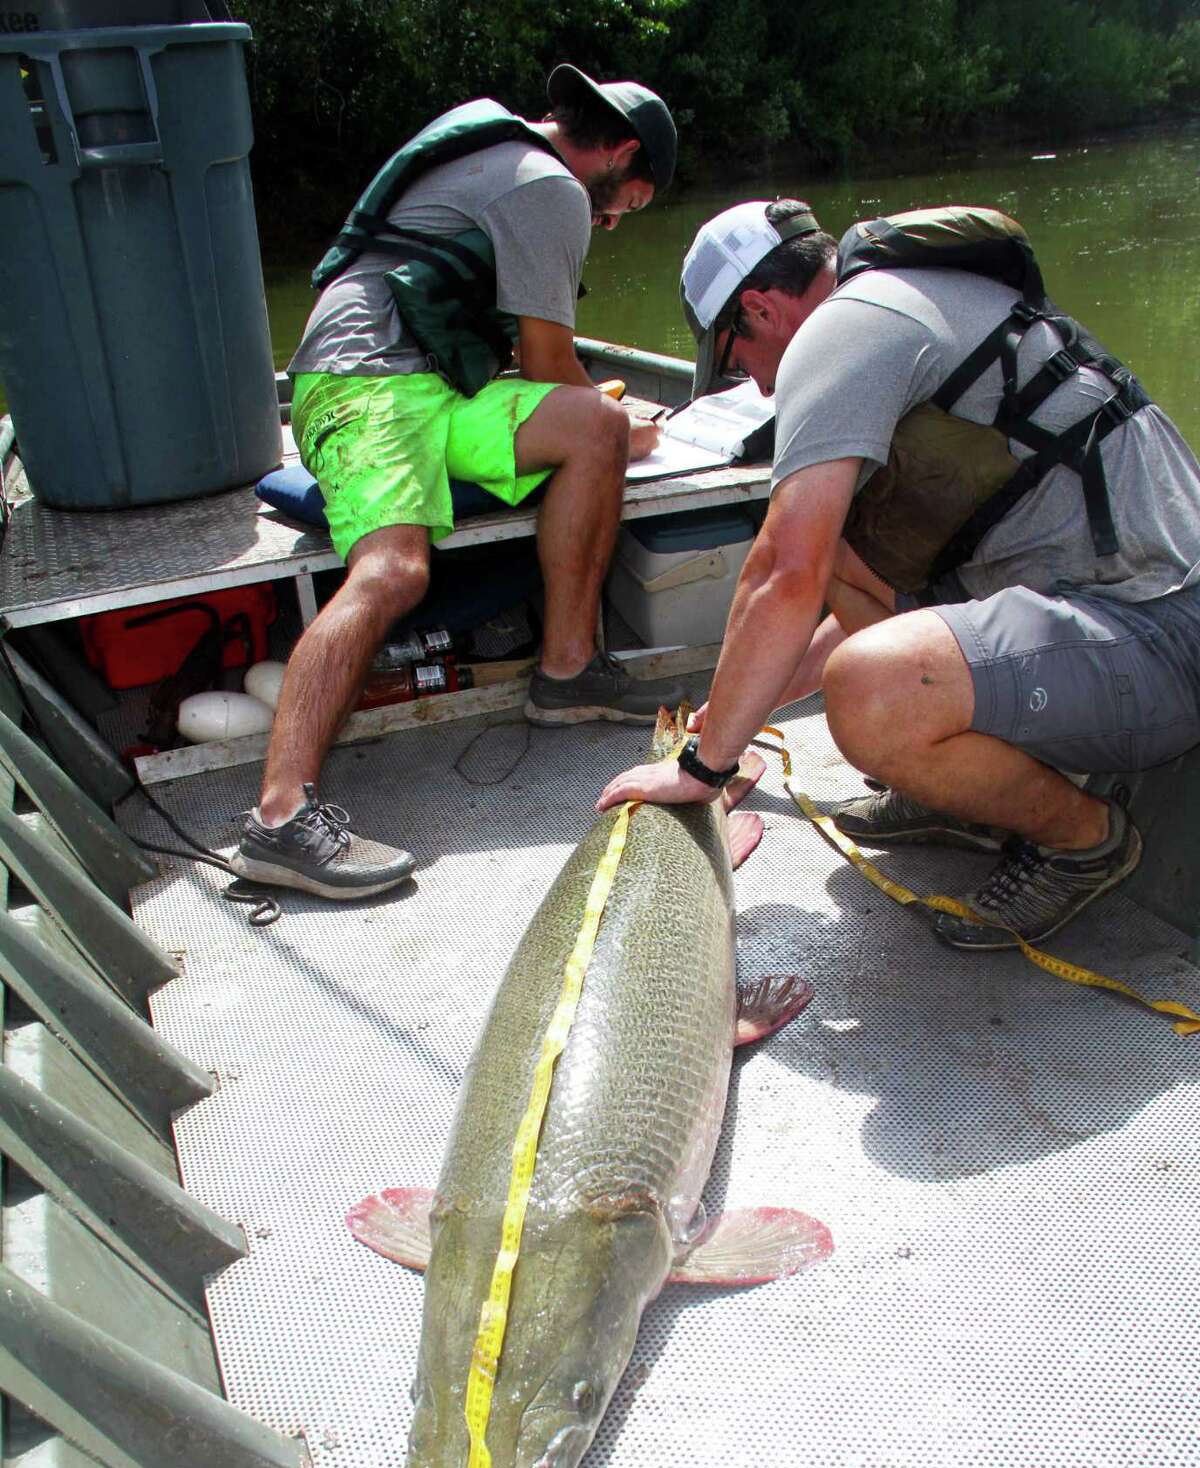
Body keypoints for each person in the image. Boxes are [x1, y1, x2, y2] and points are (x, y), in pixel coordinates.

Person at [597, 198, 1200, 949]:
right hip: (1111, 615)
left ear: (759, 307)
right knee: (843, 550)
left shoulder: (843, 330)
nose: (751, 384)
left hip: (1162, 636)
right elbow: (819, 576)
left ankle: (1084, 842)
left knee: (867, 690)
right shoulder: (894, 301)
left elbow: (782, 571)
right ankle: (956, 800)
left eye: (733, 357)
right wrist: (723, 716)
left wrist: (702, 767)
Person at [231, 65, 680, 900]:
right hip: (366, 379)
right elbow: (548, 361)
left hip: (441, 388)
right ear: (619, 155)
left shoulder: (510, 155)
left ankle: (567, 671)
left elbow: (550, 377)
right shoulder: (554, 190)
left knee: (599, 428)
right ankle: (279, 821)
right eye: (635, 202)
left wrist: (619, 424)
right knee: (396, 570)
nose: (619, 220)